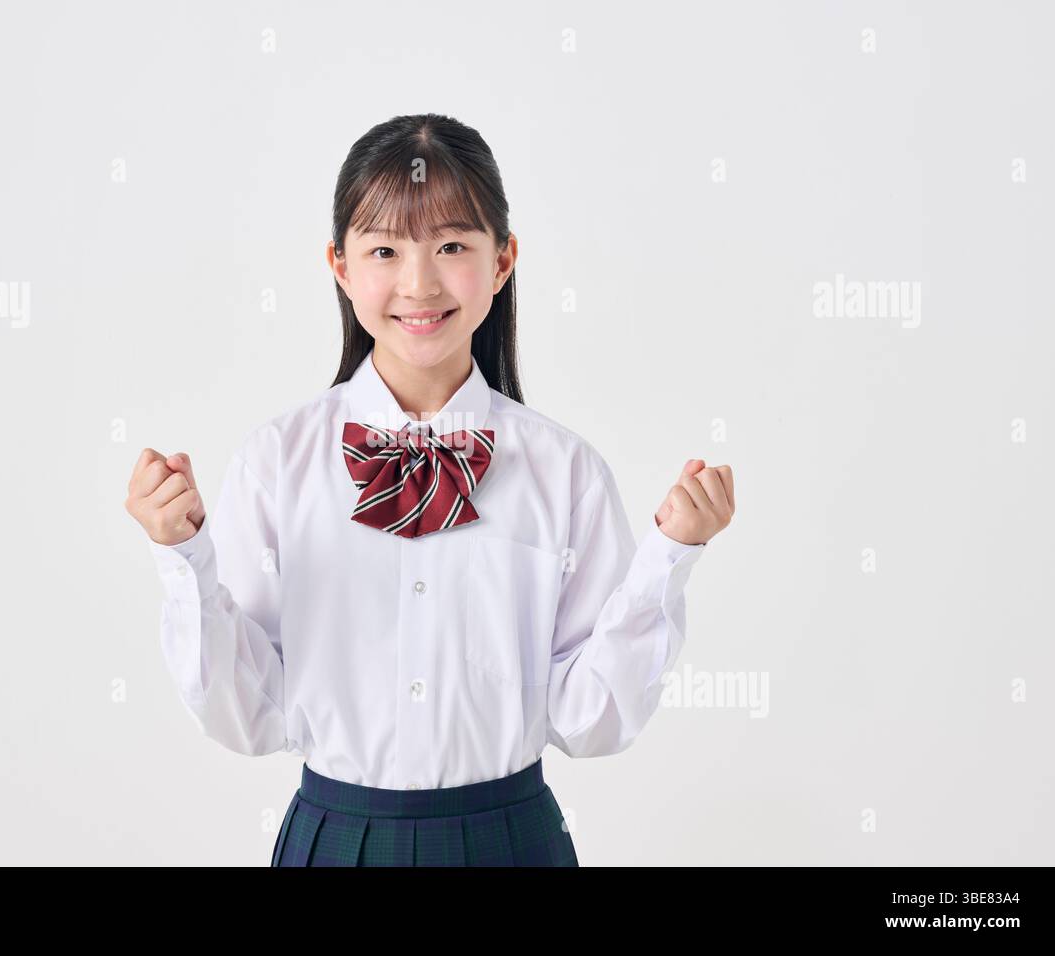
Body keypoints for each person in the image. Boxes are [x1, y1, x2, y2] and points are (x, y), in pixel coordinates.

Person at [125, 113, 735, 866]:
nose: (419, 283)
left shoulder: (563, 470)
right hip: (337, 840)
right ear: (341, 266)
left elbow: (590, 719)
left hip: (511, 841)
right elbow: (247, 714)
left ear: (503, 261)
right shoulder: (276, 462)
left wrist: (669, 559)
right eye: (385, 249)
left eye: (452, 246)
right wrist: (183, 554)